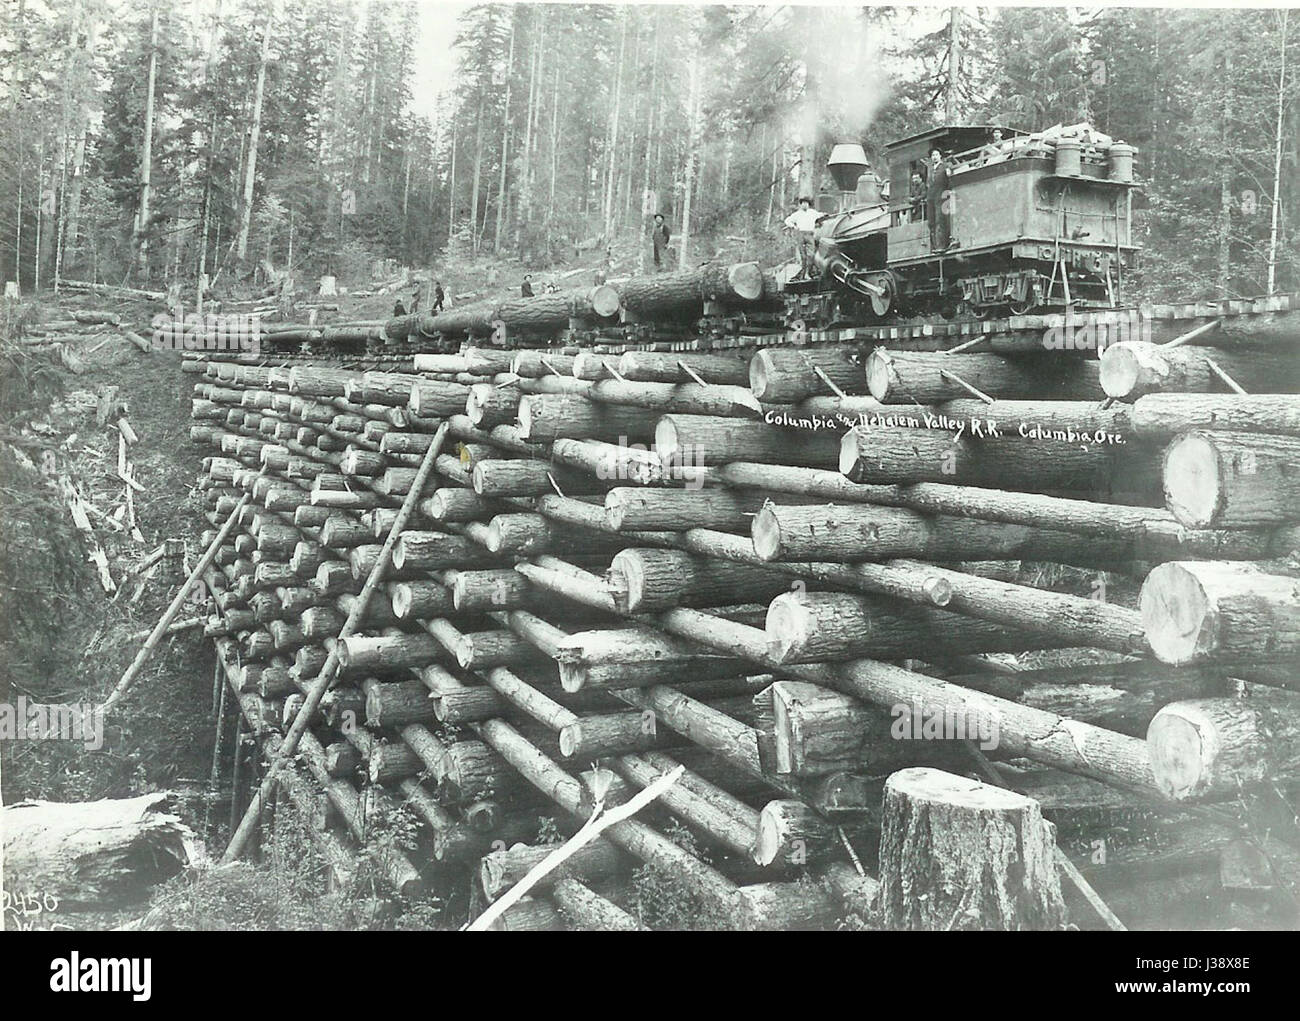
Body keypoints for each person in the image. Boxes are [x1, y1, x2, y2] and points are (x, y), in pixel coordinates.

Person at [782, 196, 823, 280]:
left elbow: (821, 215)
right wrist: (793, 226)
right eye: (803, 203)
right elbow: (787, 221)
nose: (805, 205)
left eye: (806, 203)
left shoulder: (813, 212)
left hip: (810, 234)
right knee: (803, 256)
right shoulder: (797, 214)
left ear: (809, 204)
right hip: (800, 234)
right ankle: (803, 274)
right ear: (800, 205)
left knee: (811, 255)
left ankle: (808, 273)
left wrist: (824, 215)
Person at [925, 149, 952, 251]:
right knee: (931, 221)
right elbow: (928, 183)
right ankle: (934, 246)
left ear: (940, 156)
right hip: (931, 197)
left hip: (941, 195)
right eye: (933, 155)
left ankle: (942, 245)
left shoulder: (945, 166)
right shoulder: (930, 169)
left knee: (940, 220)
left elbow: (949, 179)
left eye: (936, 154)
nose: (934, 157)